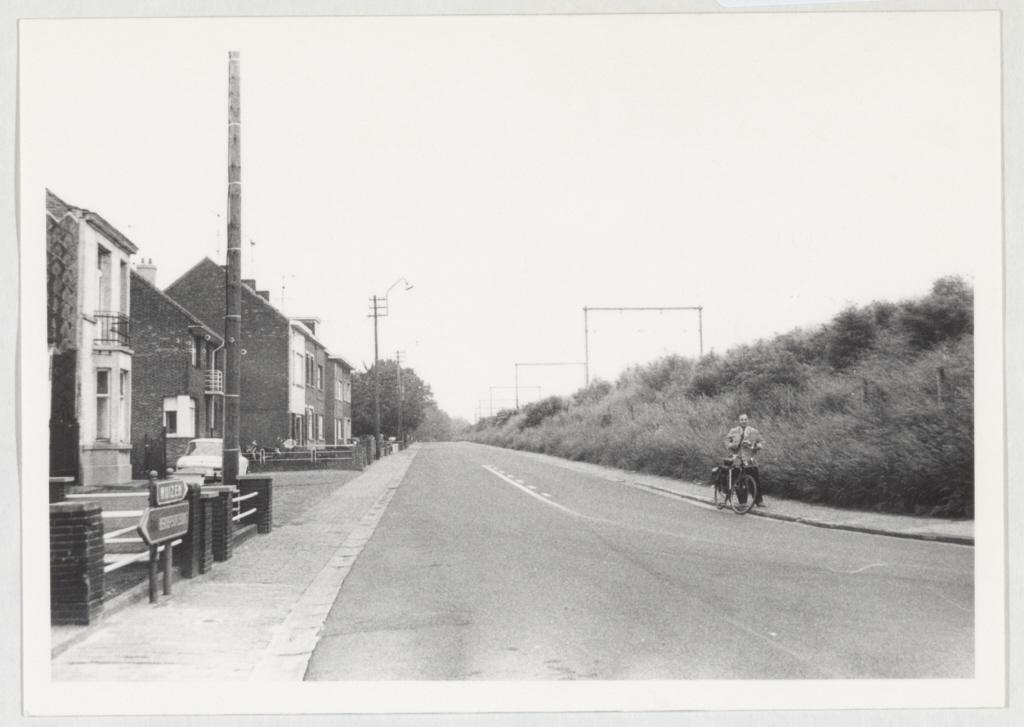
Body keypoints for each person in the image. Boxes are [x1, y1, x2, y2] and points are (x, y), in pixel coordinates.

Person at [725, 413, 765, 506]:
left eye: (745, 419)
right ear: (739, 421)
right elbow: (726, 441)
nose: (744, 421)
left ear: (748, 420)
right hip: (737, 458)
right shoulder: (733, 431)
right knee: (738, 481)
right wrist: (731, 445)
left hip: (749, 459)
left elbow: (761, 441)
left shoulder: (754, 431)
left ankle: (759, 501)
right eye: (742, 420)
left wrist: (758, 446)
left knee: (754, 479)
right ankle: (742, 502)